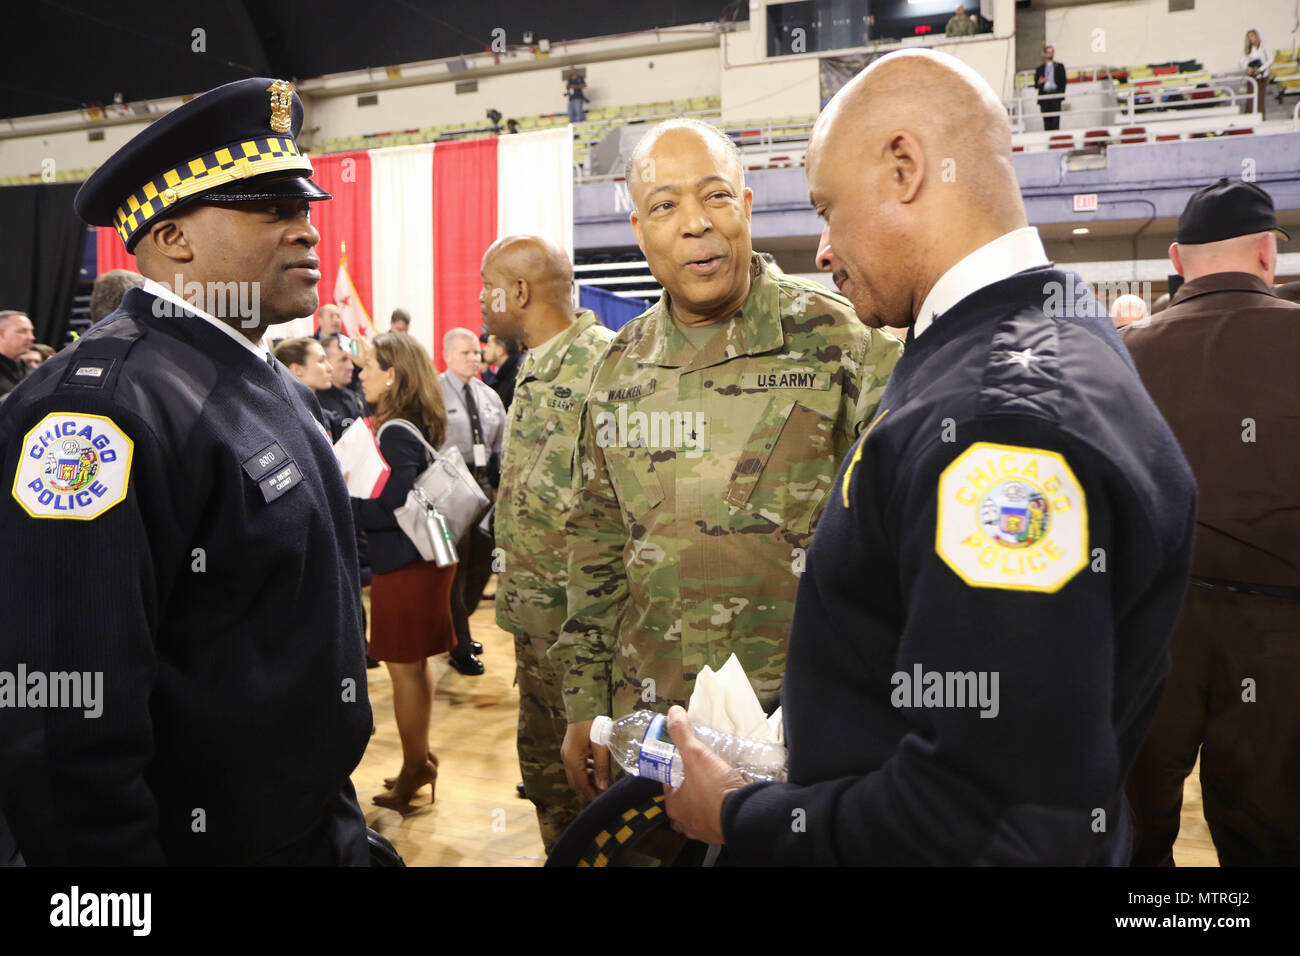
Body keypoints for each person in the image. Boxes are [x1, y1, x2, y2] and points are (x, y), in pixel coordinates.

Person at [661, 49, 1197, 865]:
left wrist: (742, 817)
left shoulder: (999, 422)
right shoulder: (1029, 338)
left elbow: (997, 822)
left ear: (905, 167)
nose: (825, 250)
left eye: (829, 210)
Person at [0, 77, 373, 865]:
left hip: (304, 825)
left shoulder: (260, 376)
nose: (305, 231)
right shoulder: (96, 413)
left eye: (304, 209)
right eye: (270, 209)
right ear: (172, 238)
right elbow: (67, 724)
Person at [553, 116, 902, 801]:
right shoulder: (617, 366)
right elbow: (594, 542)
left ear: (744, 208)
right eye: (665, 205)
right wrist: (582, 702)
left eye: (715, 197)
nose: (695, 224)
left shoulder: (846, 343)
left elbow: (896, 552)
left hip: (801, 731)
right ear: (638, 230)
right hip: (648, 724)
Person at [1124, 178, 1300, 866]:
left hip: (1152, 625)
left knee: (1133, 830)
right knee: (1272, 836)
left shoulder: (1124, 354)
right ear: (1267, 252)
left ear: (1176, 257)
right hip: (1282, 639)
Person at [483, 234, 615, 852]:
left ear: (518, 292)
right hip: (533, 625)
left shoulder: (604, 368)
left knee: (595, 786)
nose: (482, 301)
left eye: (488, 288)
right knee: (544, 776)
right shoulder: (533, 365)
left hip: (581, 633)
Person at [353, 333, 456, 812]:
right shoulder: (408, 425)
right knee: (412, 667)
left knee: (403, 670)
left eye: (370, 365)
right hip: (421, 561)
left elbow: (393, 503)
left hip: (407, 565)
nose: (362, 373)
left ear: (393, 375)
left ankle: (417, 766)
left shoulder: (395, 430)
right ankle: (420, 759)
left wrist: (348, 498)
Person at [440, 327, 505, 676]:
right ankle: (459, 643)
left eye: (476, 353)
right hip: (450, 487)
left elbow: (500, 444)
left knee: (484, 560)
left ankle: (455, 626)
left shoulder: (488, 395)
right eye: (465, 353)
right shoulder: (435, 391)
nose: (473, 358)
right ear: (448, 355)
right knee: (456, 567)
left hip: (483, 485)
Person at [274, 336, 341, 438]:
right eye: (321, 361)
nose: (330, 368)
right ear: (297, 370)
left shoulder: (324, 416)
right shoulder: (288, 423)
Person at [318, 332, 367, 435]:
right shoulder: (316, 404)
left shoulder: (353, 397)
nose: (351, 366)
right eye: (343, 360)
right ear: (325, 362)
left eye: (351, 360)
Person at [0, 310, 34, 399]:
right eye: (22, 331)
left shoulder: (32, 371)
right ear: (1, 334)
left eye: (31, 331)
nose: (31, 337)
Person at [486, 334, 524, 410]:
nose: (485, 349)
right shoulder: (504, 375)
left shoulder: (515, 379)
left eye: (488, 345)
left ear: (500, 351)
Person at [1035, 45, 1067, 131]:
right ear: (1045, 54)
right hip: (1044, 96)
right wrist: (1039, 82)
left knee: (1055, 120)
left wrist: (1060, 95)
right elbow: (1036, 85)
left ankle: (1055, 138)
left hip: (1055, 95)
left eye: (1052, 52)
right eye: (1048, 52)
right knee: (1046, 120)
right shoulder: (1040, 69)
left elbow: (1063, 81)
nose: (1050, 54)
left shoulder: (1059, 66)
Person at [1240, 30, 1271, 115]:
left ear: (1256, 36)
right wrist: (1247, 68)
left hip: (1262, 76)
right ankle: (1248, 116)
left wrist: (1260, 69)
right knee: (1250, 98)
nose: (1250, 38)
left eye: (1252, 36)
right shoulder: (1249, 48)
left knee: (1259, 98)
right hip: (1252, 75)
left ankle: (1261, 117)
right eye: (1249, 37)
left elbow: (1270, 59)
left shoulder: (1264, 46)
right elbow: (1242, 61)